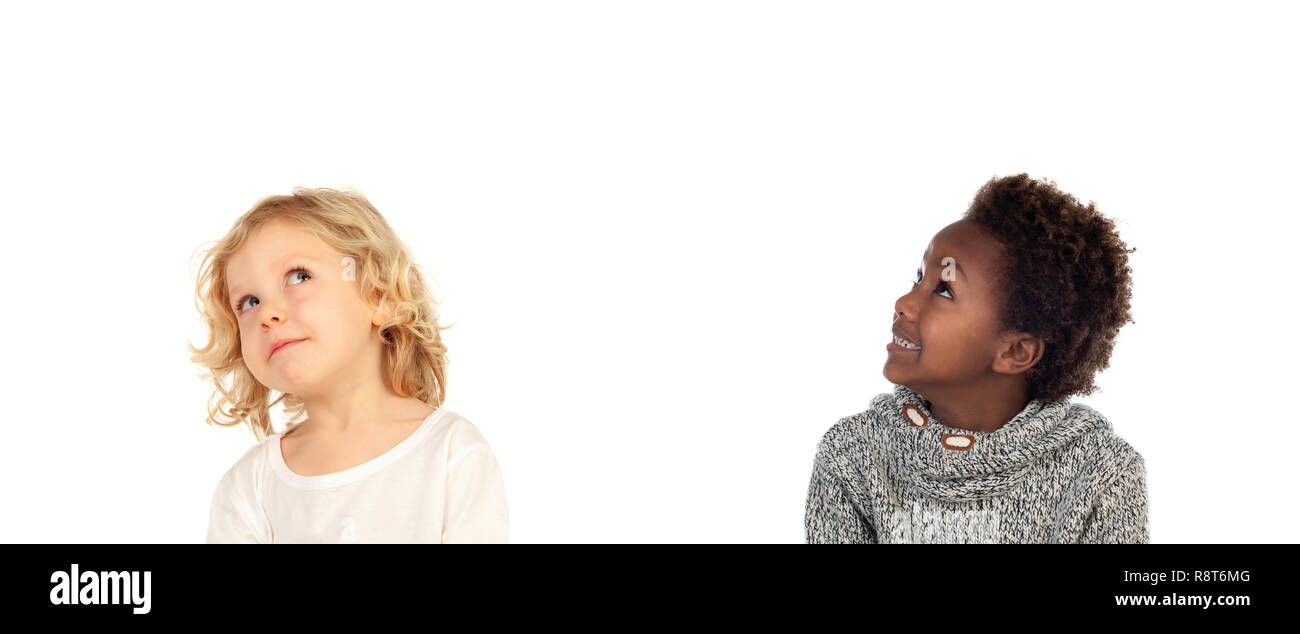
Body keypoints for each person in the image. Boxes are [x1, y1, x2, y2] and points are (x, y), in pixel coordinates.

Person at [804, 174, 1147, 543]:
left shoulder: (1103, 472)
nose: (903, 304)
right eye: (918, 278)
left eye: (944, 291)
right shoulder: (852, 455)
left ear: (1015, 351)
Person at [189, 187, 508, 543]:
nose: (267, 313)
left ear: (380, 297)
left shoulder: (453, 453)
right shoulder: (249, 486)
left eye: (299, 276)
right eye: (249, 301)